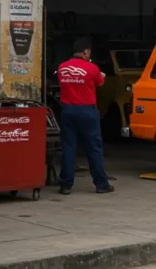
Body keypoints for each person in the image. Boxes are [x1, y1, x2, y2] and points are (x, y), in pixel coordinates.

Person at [57, 36, 114, 195]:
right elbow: (99, 83)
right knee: (94, 148)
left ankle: (65, 185)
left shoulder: (62, 68)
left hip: (68, 111)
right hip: (87, 112)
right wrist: (101, 76)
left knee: (69, 148)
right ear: (86, 52)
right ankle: (101, 184)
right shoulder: (92, 68)